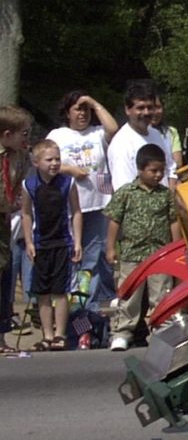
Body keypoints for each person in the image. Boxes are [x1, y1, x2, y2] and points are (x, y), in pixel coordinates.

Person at [47, 92, 119, 309]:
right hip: (70, 207)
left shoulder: (97, 133)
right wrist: (68, 169)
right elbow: (42, 161)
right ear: (67, 112)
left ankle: (91, 309)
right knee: (75, 257)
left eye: (85, 109)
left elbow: (113, 129)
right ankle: (72, 307)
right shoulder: (58, 135)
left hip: (100, 203)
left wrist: (95, 103)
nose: (82, 113)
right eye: (78, 109)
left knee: (94, 258)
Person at [104, 144, 180, 351]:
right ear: (140, 169)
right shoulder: (126, 193)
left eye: (161, 171)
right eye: (153, 171)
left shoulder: (165, 195)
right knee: (130, 296)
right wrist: (110, 247)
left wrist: (175, 248)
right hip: (132, 253)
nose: (157, 175)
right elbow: (114, 220)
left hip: (160, 254)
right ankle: (122, 333)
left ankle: (162, 331)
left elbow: (173, 221)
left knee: (162, 294)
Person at [20, 139, 82, 351]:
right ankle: (46, 334)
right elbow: (26, 214)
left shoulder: (67, 183)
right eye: (49, 160)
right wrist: (29, 241)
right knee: (42, 291)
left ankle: (60, 334)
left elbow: (76, 211)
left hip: (63, 242)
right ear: (37, 162)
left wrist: (77, 241)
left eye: (57, 159)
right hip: (41, 243)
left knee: (61, 290)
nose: (55, 163)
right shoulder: (29, 185)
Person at [0, 106, 33, 351]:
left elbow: (18, 185)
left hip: (4, 221)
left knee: (5, 275)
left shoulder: (19, 157)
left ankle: (1, 337)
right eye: (24, 134)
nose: (27, 139)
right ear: (7, 134)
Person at [108, 80, 177, 191]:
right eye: (140, 108)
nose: (146, 112)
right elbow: (124, 191)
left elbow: (170, 168)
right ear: (127, 109)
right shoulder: (121, 145)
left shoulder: (155, 134)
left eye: (150, 107)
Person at [152, 95, 184, 172]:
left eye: (158, 107)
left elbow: (178, 162)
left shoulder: (171, 132)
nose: (155, 112)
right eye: (151, 108)